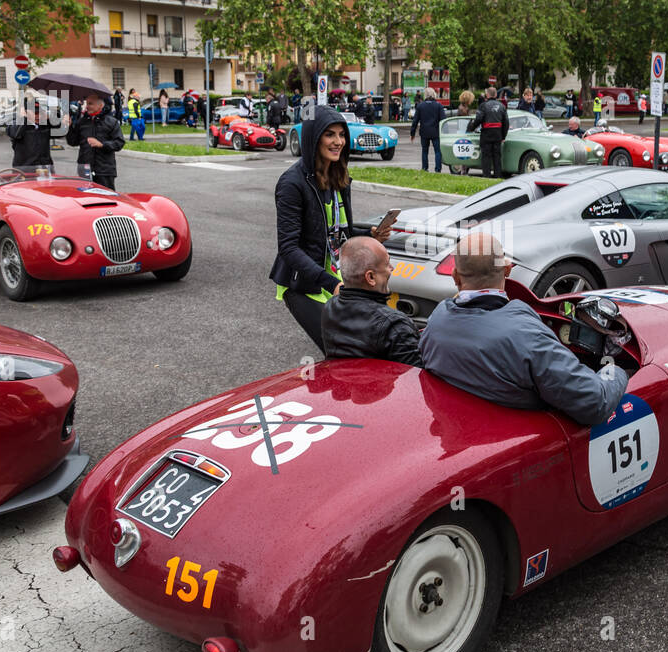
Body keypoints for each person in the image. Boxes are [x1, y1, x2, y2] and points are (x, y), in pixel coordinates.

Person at [419, 232, 628, 426]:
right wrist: (614, 368)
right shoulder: (526, 336)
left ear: (455, 276)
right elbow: (595, 402)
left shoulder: (437, 320)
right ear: (508, 270)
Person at [269, 105, 390, 351]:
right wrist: (329, 282)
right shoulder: (292, 184)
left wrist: (371, 235)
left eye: (342, 135)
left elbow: (337, 232)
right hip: (303, 284)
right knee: (338, 348)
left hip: (334, 277)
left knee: (358, 345)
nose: (338, 142)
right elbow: (288, 248)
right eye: (330, 135)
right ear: (314, 138)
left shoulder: (338, 177)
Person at [320, 236, 422, 366]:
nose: (392, 268)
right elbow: (416, 377)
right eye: (387, 264)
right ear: (371, 277)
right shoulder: (394, 325)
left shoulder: (330, 307)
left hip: (341, 384)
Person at [66, 90, 125, 189]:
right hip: (84, 168)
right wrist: (70, 127)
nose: (87, 106)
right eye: (86, 103)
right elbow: (72, 142)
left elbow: (119, 143)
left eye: (90, 104)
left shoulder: (111, 122)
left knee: (106, 200)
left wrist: (102, 144)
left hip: (104, 170)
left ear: (100, 105)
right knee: (86, 199)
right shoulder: (82, 122)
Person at [470, 86, 508, 179]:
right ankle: (498, 176)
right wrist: (503, 136)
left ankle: (486, 176)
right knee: (497, 157)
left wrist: (471, 128)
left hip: (486, 134)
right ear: (496, 95)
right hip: (498, 135)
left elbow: (478, 119)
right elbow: (506, 123)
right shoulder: (502, 106)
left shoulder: (483, 106)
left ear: (487, 95)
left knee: (486, 157)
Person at [9, 98, 54, 169]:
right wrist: (23, 118)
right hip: (24, 169)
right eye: (35, 113)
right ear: (25, 113)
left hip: (45, 169)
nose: (38, 116)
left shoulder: (45, 125)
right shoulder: (15, 124)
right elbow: (16, 134)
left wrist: (50, 119)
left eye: (40, 113)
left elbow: (61, 133)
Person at [411, 86, 444, 172]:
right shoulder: (439, 105)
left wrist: (412, 133)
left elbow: (415, 121)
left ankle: (425, 168)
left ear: (425, 95)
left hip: (424, 132)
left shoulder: (420, 106)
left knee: (425, 151)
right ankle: (438, 169)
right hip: (436, 132)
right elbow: (443, 120)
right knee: (437, 151)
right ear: (434, 94)